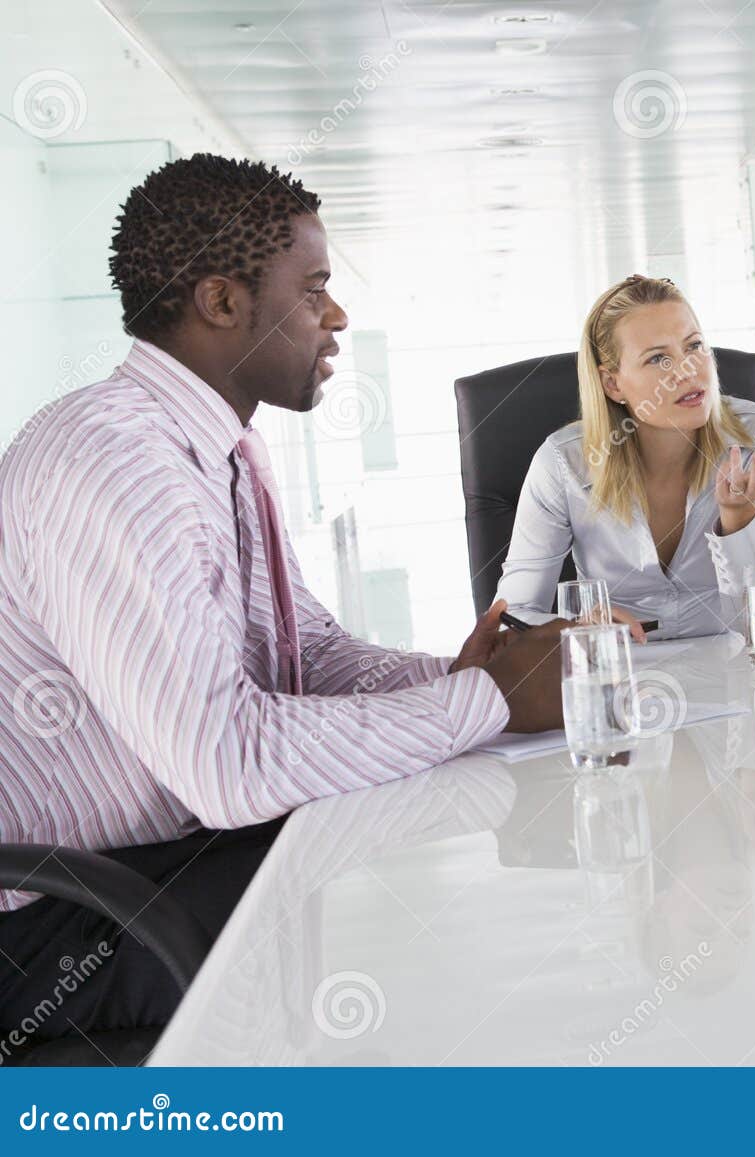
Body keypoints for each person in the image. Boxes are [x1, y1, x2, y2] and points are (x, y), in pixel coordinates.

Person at [0, 154, 561, 1056]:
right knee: (412, 920)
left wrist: (469, 676)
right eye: (315, 290)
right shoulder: (110, 462)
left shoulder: (211, 449)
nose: (336, 317)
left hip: (154, 866)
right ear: (223, 303)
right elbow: (225, 763)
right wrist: (489, 703)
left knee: (429, 826)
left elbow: (313, 655)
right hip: (57, 925)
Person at [497, 275, 755, 639]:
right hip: (619, 674)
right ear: (612, 384)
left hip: (731, 673)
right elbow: (510, 619)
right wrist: (576, 629)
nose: (686, 370)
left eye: (694, 346)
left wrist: (737, 519)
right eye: (657, 359)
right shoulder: (564, 463)